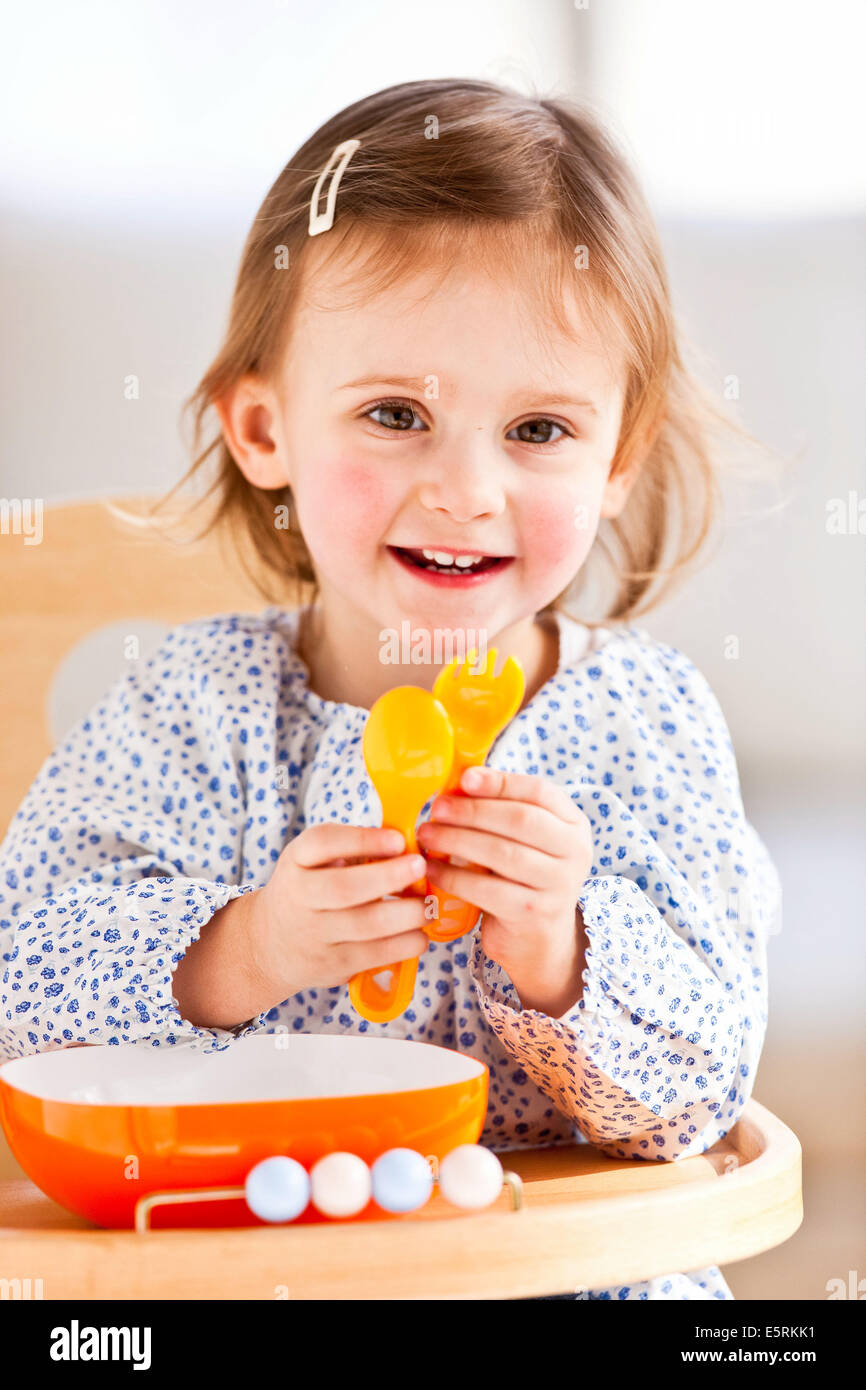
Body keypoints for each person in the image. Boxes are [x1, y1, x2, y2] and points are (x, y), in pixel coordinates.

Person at [0, 78, 781, 1299]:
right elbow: (23, 996)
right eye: (395, 413)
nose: (466, 488)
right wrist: (239, 950)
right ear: (263, 431)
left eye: (537, 430)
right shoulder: (189, 709)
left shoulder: (647, 721)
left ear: (618, 455)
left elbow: (698, 1096)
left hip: (564, 1282)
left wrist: (560, 951)